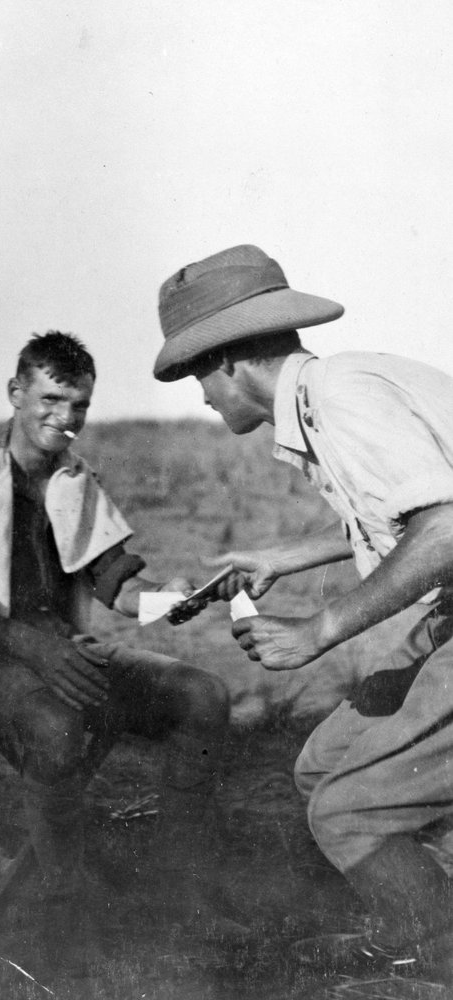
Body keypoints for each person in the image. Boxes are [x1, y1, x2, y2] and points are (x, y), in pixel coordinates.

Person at [153, 243, 453, 979]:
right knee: (323, 768)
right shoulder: (327, 397)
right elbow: (408, 515)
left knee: (347, 811)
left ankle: (432, 957)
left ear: (227, 360)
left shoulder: (344, 399)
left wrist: (320, 630)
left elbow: (445, 527)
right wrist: (286, 558)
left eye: (198, 373)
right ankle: (413, 917)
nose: (201, 396)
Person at [0, 331, 237, 968]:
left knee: (203, 696)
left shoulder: (75, 479)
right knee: (57, 730)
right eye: (51, 400)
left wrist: (172, 597)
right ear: (15, 394)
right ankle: (66, 917)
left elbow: (116, 583)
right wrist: (39, 650)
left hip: (64, 655)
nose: (65, 419)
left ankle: (188, 892)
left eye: (79, 405)